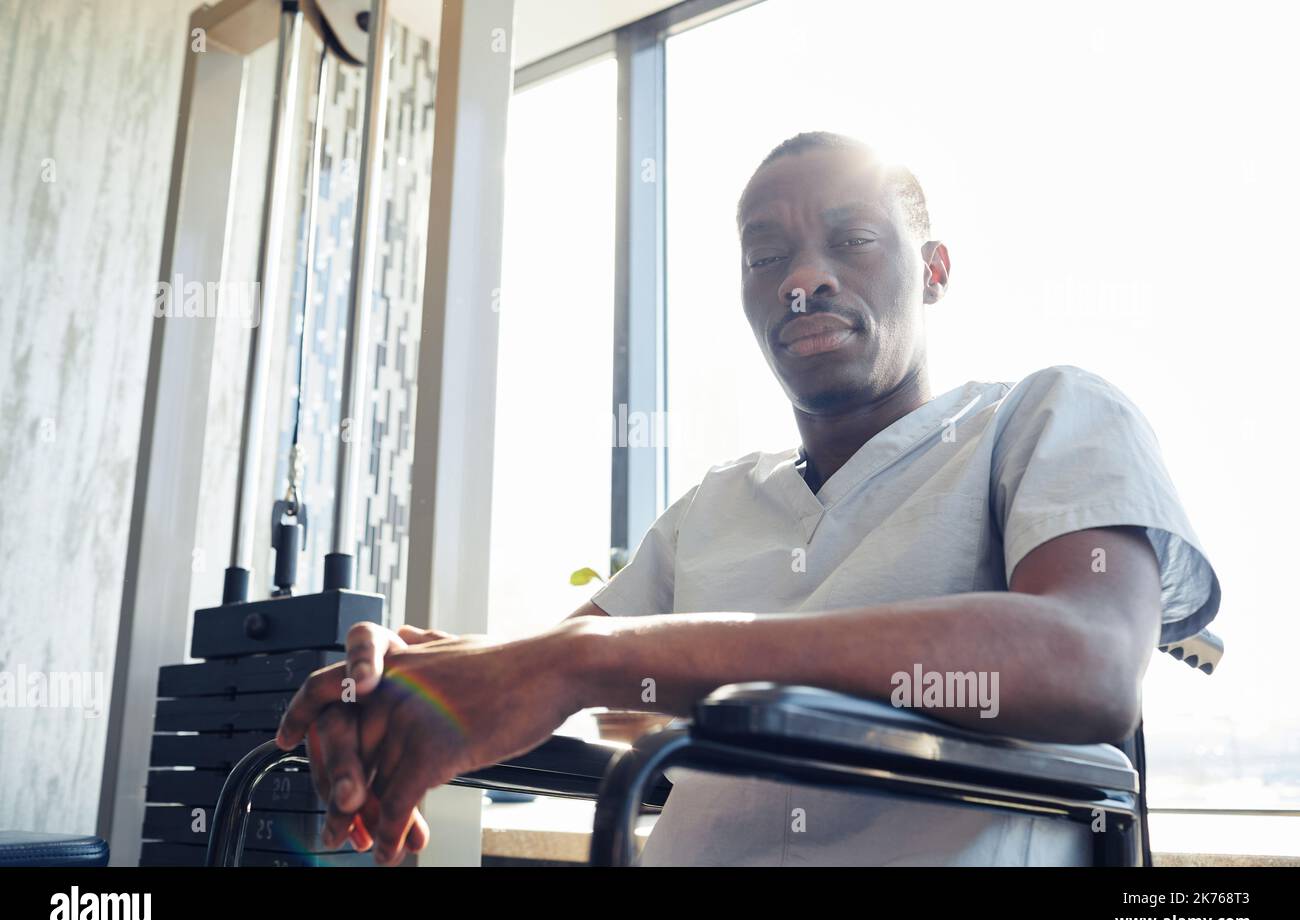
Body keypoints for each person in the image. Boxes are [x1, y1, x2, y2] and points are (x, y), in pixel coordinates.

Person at [276, 131, 1220, 866]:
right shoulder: (715, 506)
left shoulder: (1046, 416)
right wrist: (403, 686)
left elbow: (1090, 662)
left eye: (851, 241)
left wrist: (580, 658)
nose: (804, 279)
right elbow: (560, 678)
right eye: (766, 256)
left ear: (933, 270)